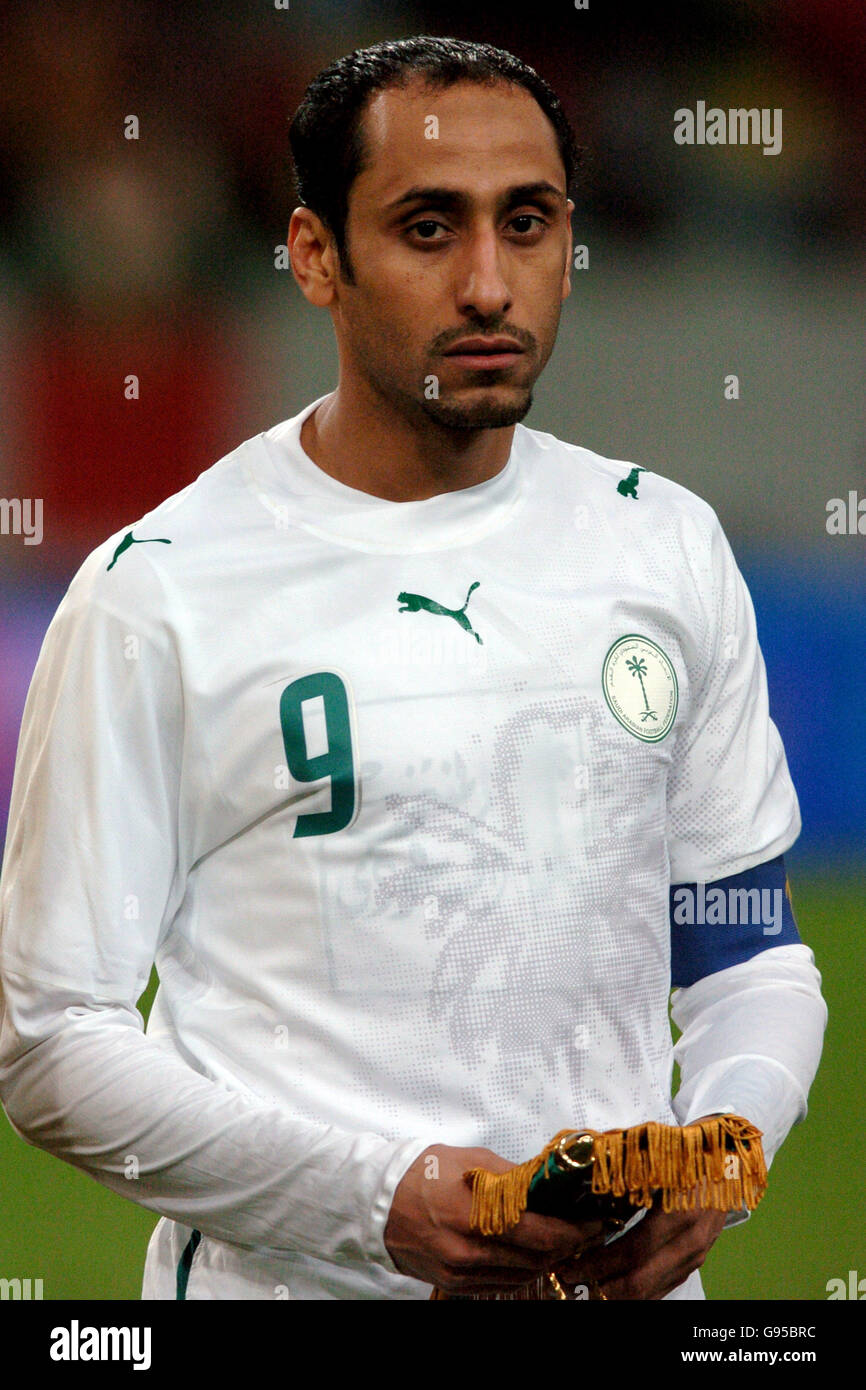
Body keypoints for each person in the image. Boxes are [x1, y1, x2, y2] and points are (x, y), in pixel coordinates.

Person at [0, 36, 826, 1302]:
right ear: (315, 255)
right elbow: (53, 1042)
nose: (491, 284)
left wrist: (725, 1146)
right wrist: (369, 1203)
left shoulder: (663, 543)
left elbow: (741, 952)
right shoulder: (155, 592)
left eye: (529, 222)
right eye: (429, 227)